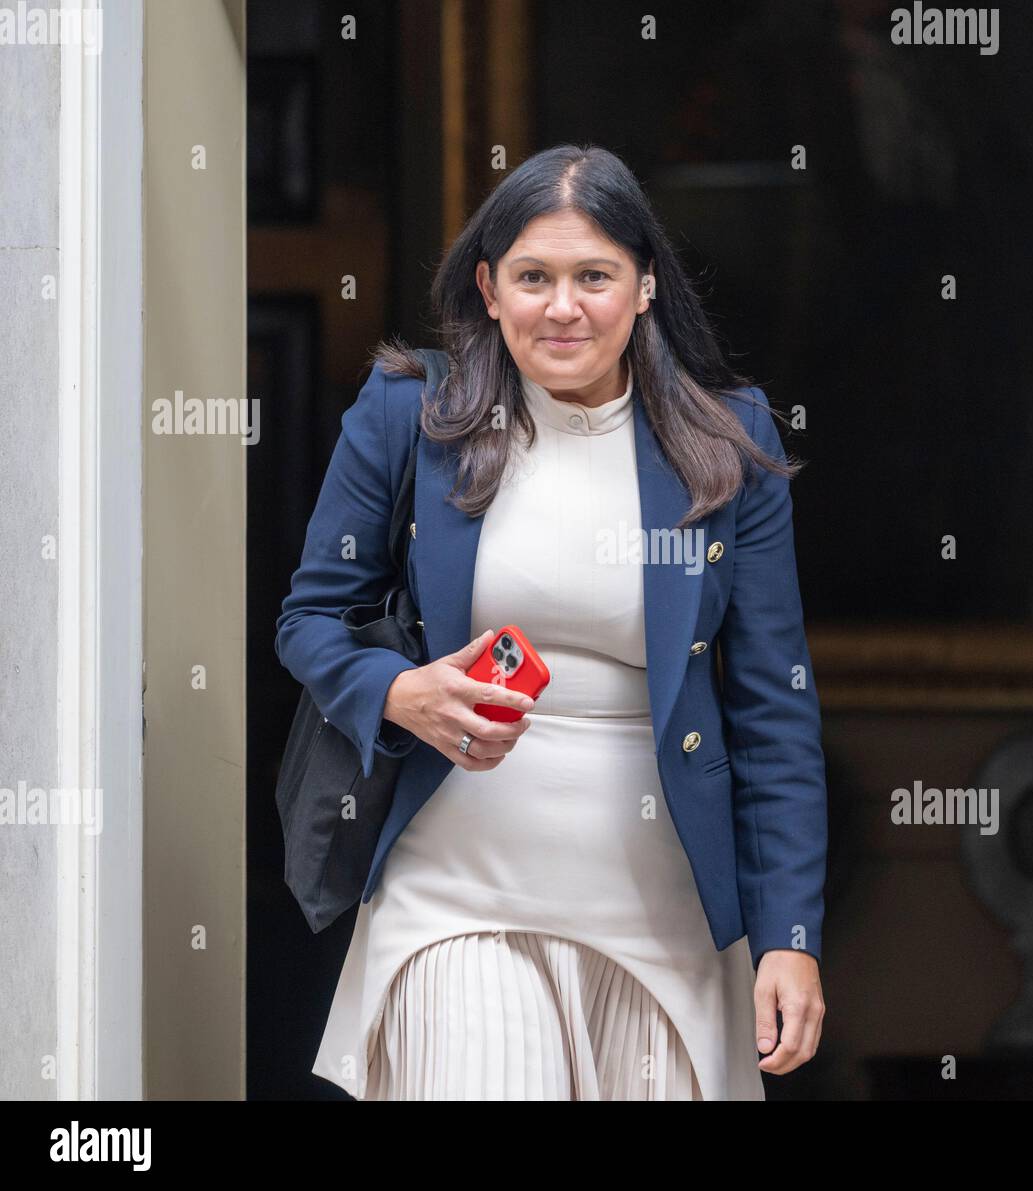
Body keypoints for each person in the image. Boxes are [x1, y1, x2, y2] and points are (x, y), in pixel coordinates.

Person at [275, 143, 828, 1100]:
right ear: (489, 288)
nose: (562, 306)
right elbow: (311, 618)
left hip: (665, 922)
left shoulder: (726, 439)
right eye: (533, 276)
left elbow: (774, 707)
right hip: (455, 903)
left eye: (594, 276)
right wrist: (402, 691)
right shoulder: (413, 413)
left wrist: (789, 935)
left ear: (645, 287)